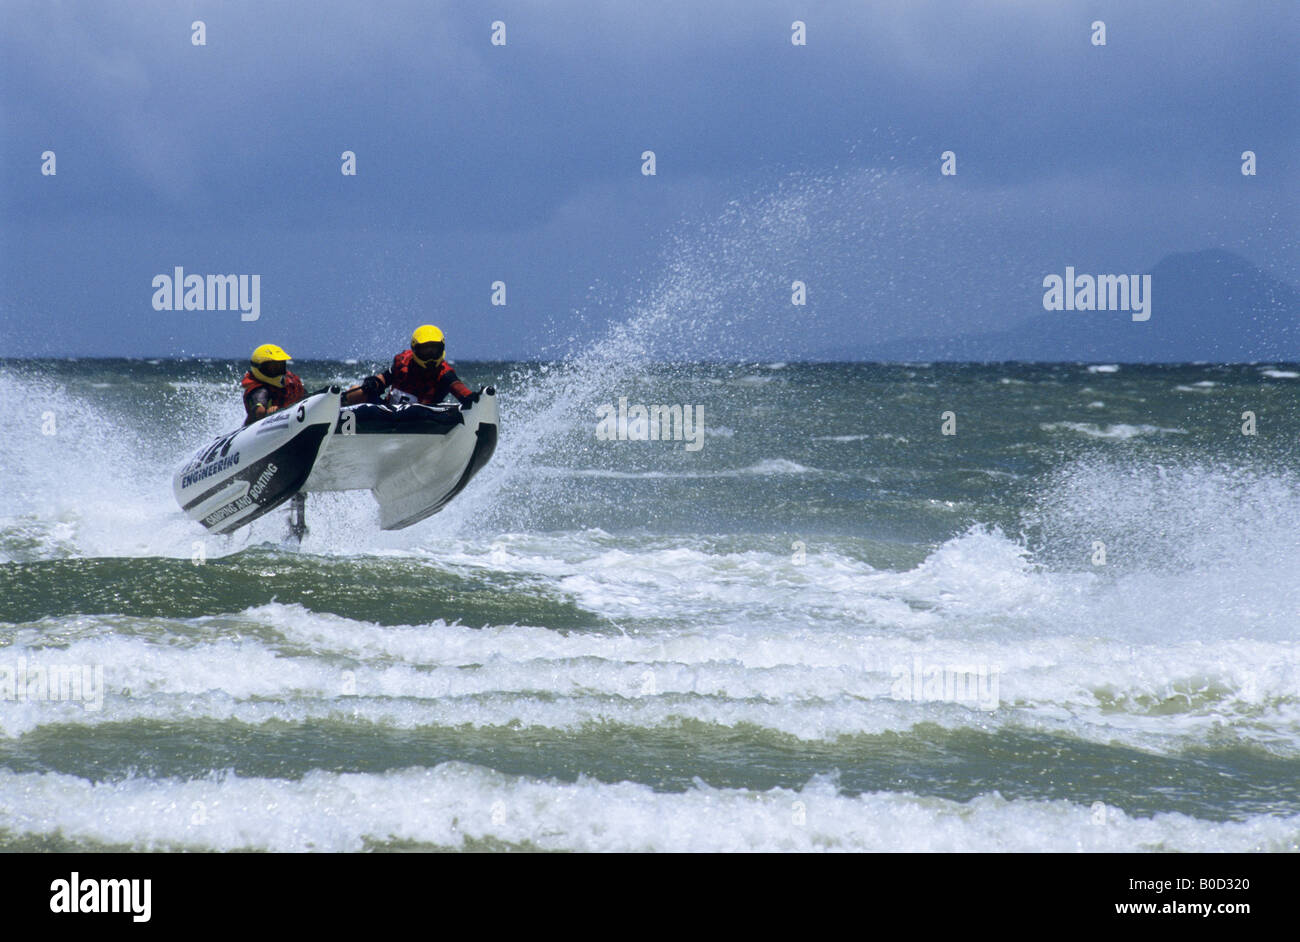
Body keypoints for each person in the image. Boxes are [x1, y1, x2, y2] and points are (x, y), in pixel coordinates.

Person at [345, 325, 476, 407]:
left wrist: (475, 399)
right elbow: (384, 379)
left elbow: (463, 392)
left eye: (434, 351)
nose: (430, 356)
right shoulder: (403, 362)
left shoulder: (445, 374)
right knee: (357, 390)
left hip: (422, 422)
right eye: (425, 351)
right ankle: (334, 414)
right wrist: (374, 383)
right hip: (387, 413)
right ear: (415, 349)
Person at [241, 343, 305, 425]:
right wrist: (268, 413)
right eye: (272, 367)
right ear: (258, 367)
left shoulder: (290, 381)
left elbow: (303, 395)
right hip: (256, 429)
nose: (276, 370)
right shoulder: (258, 390)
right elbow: (259, 409)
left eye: (280, 366)